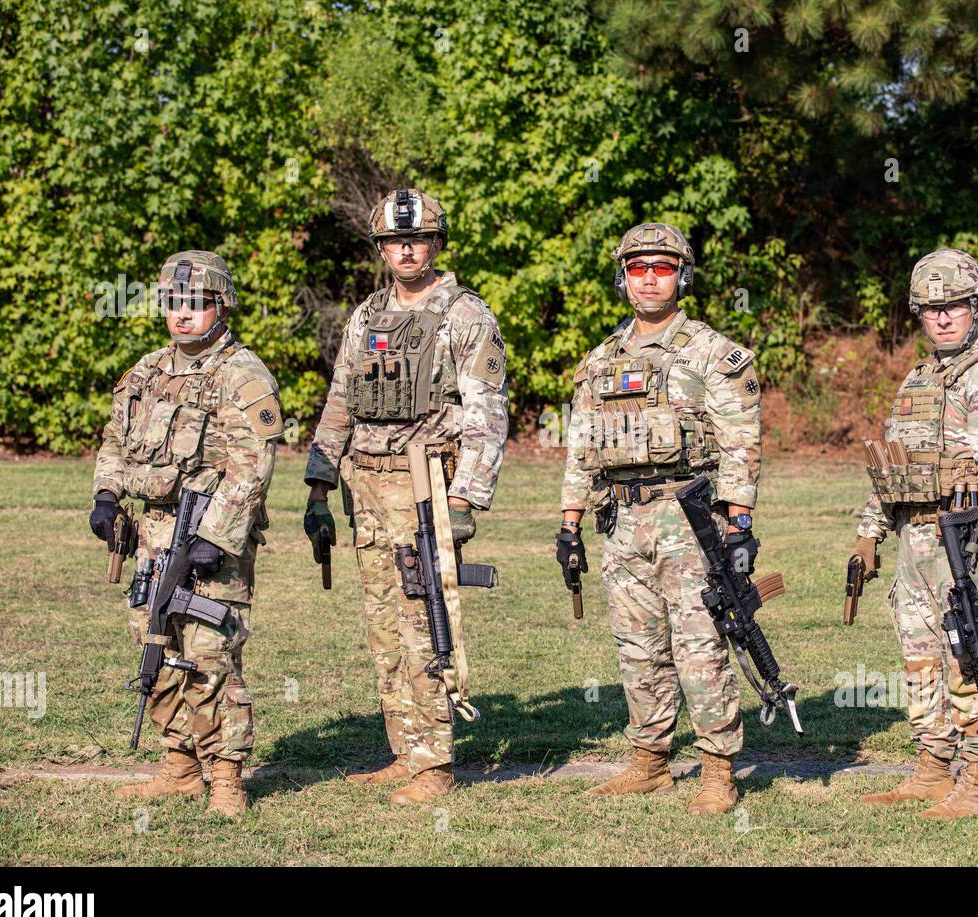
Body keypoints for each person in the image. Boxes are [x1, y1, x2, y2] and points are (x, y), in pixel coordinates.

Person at [304, 188, 508, 805]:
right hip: (364, 488)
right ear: (382, 249)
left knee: (426, 621)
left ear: (436, 244)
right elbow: (340, 400)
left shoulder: (466, 316)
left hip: (424, 486)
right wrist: (319, 483)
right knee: (384, 626)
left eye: (416, 239)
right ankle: (405, 748)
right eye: (394, 242)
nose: (405, 250)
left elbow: (487, 415)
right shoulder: (365, 318)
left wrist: (468, 499)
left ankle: (436, 763)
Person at [557, 222, 764, 816]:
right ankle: (649, 761)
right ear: (623, 278)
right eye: (639, 267)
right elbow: (581, 449)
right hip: (622, 521)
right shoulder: (600, 360)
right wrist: (569, 523)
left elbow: (741, 446)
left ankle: (718, 770)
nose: (651, 278)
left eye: (664, 267)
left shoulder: (711, 353)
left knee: (700, 645)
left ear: (683, 276)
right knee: (638, 647)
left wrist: (739, 524)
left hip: (689, 517)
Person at [92, 251, 283, 817]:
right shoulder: (147, 371)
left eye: (195, 304)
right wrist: (106, 494)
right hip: (152, 536)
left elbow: (253, 468)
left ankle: (226, 777)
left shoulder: (242, 374)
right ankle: (179, 768)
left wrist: (217, 537)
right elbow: (113, 438)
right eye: (173, 304)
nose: (182, 315)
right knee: (154, 642)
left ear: (220, 306)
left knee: (209, 655)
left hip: (210, 538)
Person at [853, 248, 978, 819]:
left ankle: (977, 782)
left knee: (968, 655)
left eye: (955, 305)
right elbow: (894, 462)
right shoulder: (920, 377)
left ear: (976, 306)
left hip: (965, 540)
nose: (945, 317)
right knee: (919, 657)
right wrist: (870, 531)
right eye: (933, 308)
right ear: (919, 314)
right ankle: (933, 765)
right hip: (913, 539)